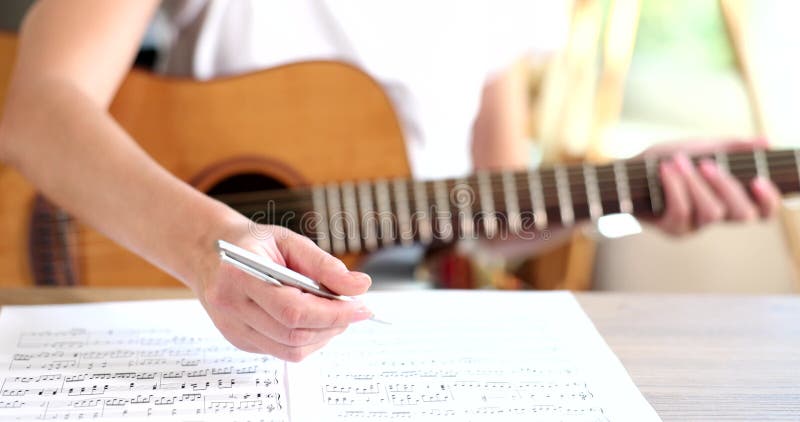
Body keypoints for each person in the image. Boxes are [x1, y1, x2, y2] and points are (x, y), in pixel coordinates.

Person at [0, 0, 781, 362]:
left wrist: (630, 189)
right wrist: (211, 248)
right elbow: (37, 109)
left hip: (381, 325)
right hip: (155, 311)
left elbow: (491, 207)